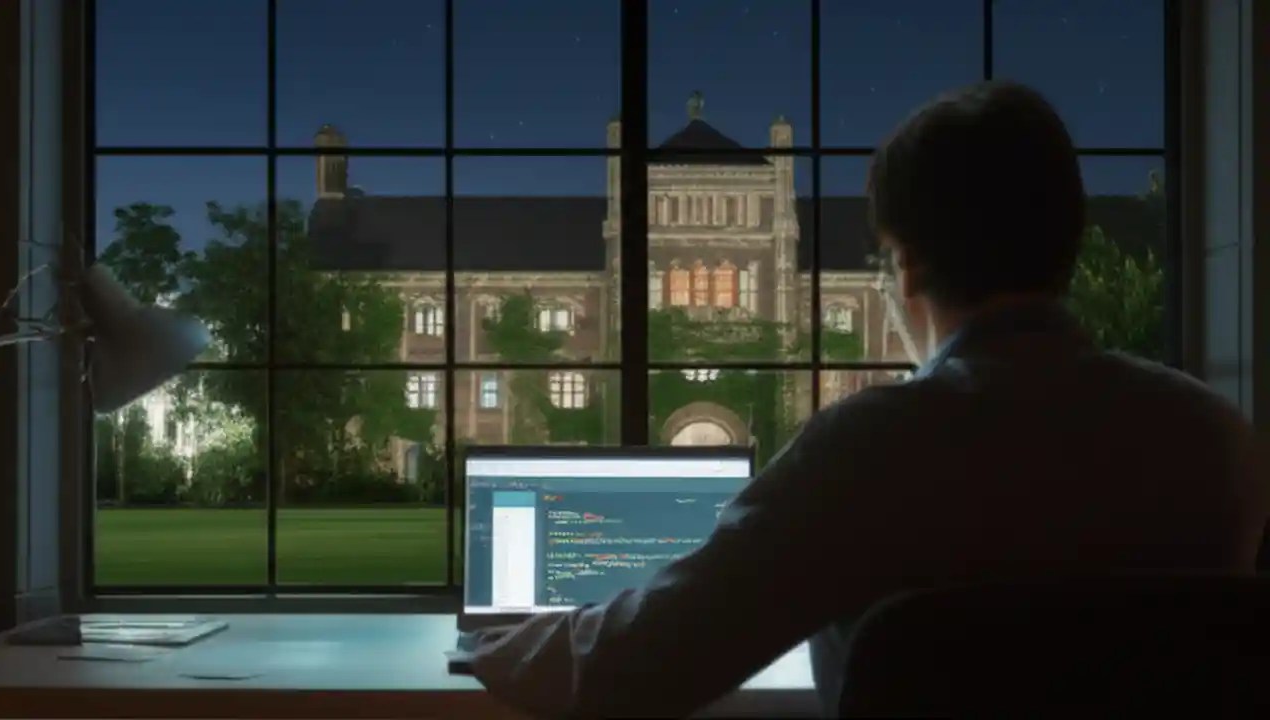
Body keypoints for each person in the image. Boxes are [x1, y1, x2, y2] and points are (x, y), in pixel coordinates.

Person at [469, 81, 1267, 718]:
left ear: (904, 265)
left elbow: (644, 661)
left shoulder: (872, 449)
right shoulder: (1214, 438)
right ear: (1070, 243)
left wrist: (488, 647)